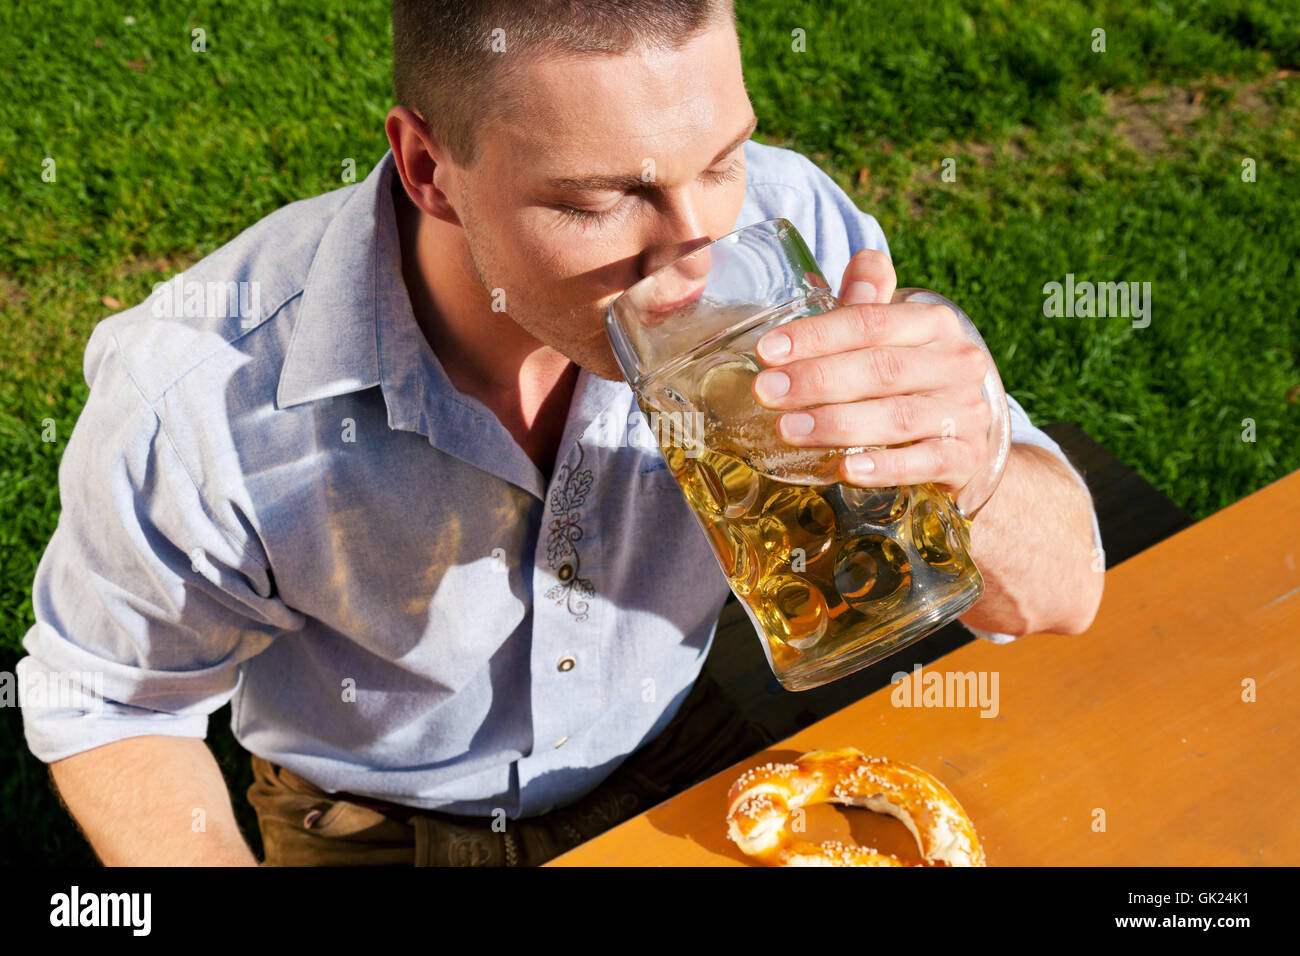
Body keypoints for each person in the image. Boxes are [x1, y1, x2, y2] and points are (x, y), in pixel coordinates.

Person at [17, 0, 1104, 867]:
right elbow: (109, 700)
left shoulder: (784, 234)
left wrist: (977, 468)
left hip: (669, 747)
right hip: (374, 822)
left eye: (722, 157)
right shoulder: (205, 394)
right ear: (428, 168)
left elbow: (1061, 597)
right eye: (601, 201)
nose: (693, 251)